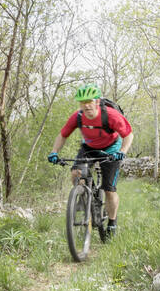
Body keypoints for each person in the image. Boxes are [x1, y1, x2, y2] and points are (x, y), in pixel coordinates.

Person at [48, 85, 134, 240]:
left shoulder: (111, 115)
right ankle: (84, 196)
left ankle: (112, 223)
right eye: (82, 102)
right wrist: (54, 152)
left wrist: (122, 152)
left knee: (109, 190)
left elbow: (128, 135)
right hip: (89, 147)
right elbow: (63, 135)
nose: (86, 105)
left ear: (97, 101)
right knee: (76, 173)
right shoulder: (78, 116)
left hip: (111, 150)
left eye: (89, 101)